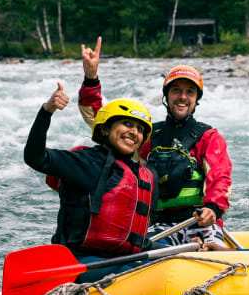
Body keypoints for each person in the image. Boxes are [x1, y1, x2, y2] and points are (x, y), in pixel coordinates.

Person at [76, 37, 233, 249]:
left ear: (196, 99)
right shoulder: (148, 135)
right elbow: (102, 119)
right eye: (176, 90)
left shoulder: (209, 137)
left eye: (190, 92)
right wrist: (91, 79)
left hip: (200, 222)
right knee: (149, 251)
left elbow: (220, 177)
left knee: (213, 250)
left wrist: (214, 208)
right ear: (166, 95)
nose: (182, 97)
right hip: (159, 224)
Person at [24, 82, 156, 258]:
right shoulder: (86, 161)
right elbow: (35, 157)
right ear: (106, 128)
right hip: (79, 262)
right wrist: (46, 111)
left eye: (140, 129)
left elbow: (141, 241)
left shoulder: (145, 175)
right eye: (127, 124)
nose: (134, 132)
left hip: (124, 261)